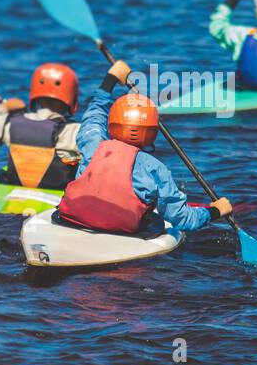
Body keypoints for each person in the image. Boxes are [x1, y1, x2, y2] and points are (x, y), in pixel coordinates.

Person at [57, 60, 231, 235]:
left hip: (72, 220)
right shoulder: (155, 169)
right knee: (155, 220)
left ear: (111, 124)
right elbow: (183, 219)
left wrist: (110, 80)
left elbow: (94, 116)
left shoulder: (93, 143)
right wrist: (215, 211)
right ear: (152, 133)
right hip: (122, 232)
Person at [0, 63, 82, 190]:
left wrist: (4, 107)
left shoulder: (9, 124)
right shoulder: (74, 131)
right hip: (55, 198)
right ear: (72, 99)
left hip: (16, 195)